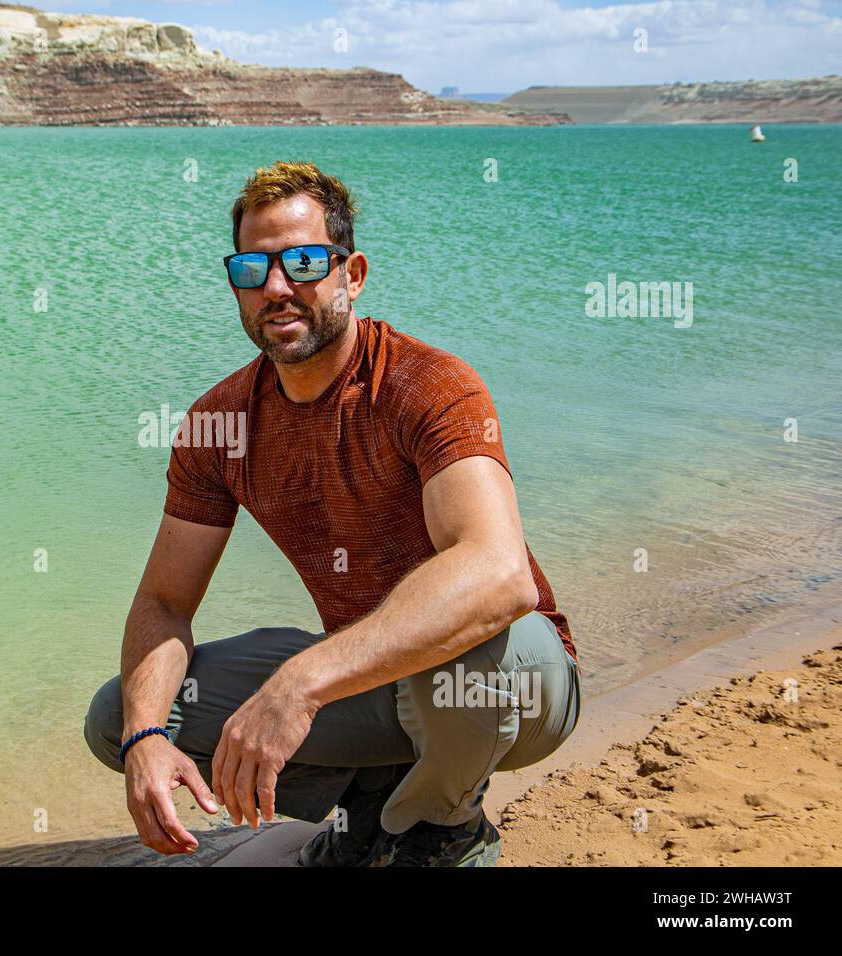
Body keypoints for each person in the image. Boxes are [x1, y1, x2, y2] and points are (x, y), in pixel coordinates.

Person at [84, 160, 580, 867]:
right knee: (119, 713)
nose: (277, 288)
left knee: (462, 644)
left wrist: (299, 684)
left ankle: (441, 826)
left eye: (305, 262)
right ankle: (372, 800)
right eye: (252, 269)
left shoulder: (428, 385)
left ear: (353, 275)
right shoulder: (220, 422)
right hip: (372, 680)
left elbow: (501, 576)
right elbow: (164, 601)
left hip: (523, 683)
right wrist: (144, 739)